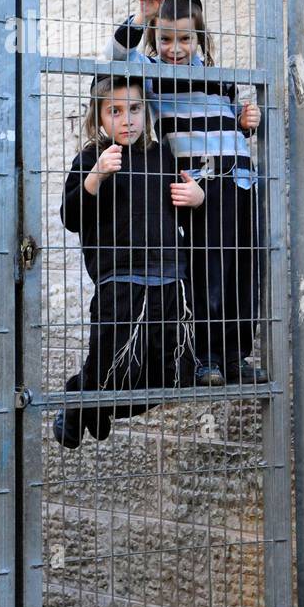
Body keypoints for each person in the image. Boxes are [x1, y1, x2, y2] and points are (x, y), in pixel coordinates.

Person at [108, 0, 265, 387]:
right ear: (154, 38)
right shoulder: (154, 77)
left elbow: (234, 121)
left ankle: (235, 356)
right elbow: (117, 59)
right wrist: (141, 16)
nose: (174, 48)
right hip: (199, 187)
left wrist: (247, 120)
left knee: (243, 271)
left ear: (199, 38)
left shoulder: (215, 77)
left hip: (241, 182)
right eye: (165, 38)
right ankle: (204, 357)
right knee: (206, 271)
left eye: (184, 39)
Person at [54, 74, 204, 450]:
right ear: (99, 117)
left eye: (134, 109)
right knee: (113, 370)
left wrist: (197, 198)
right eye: (115, 111)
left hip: (170, 281)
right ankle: (83, 397)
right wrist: (96, 176)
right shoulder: (91, 158)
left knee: (171, 378)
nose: (127, 120)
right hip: (119, 282)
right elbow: (71, 217)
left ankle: (94, 406)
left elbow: (184, 215)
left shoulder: (161, 156)